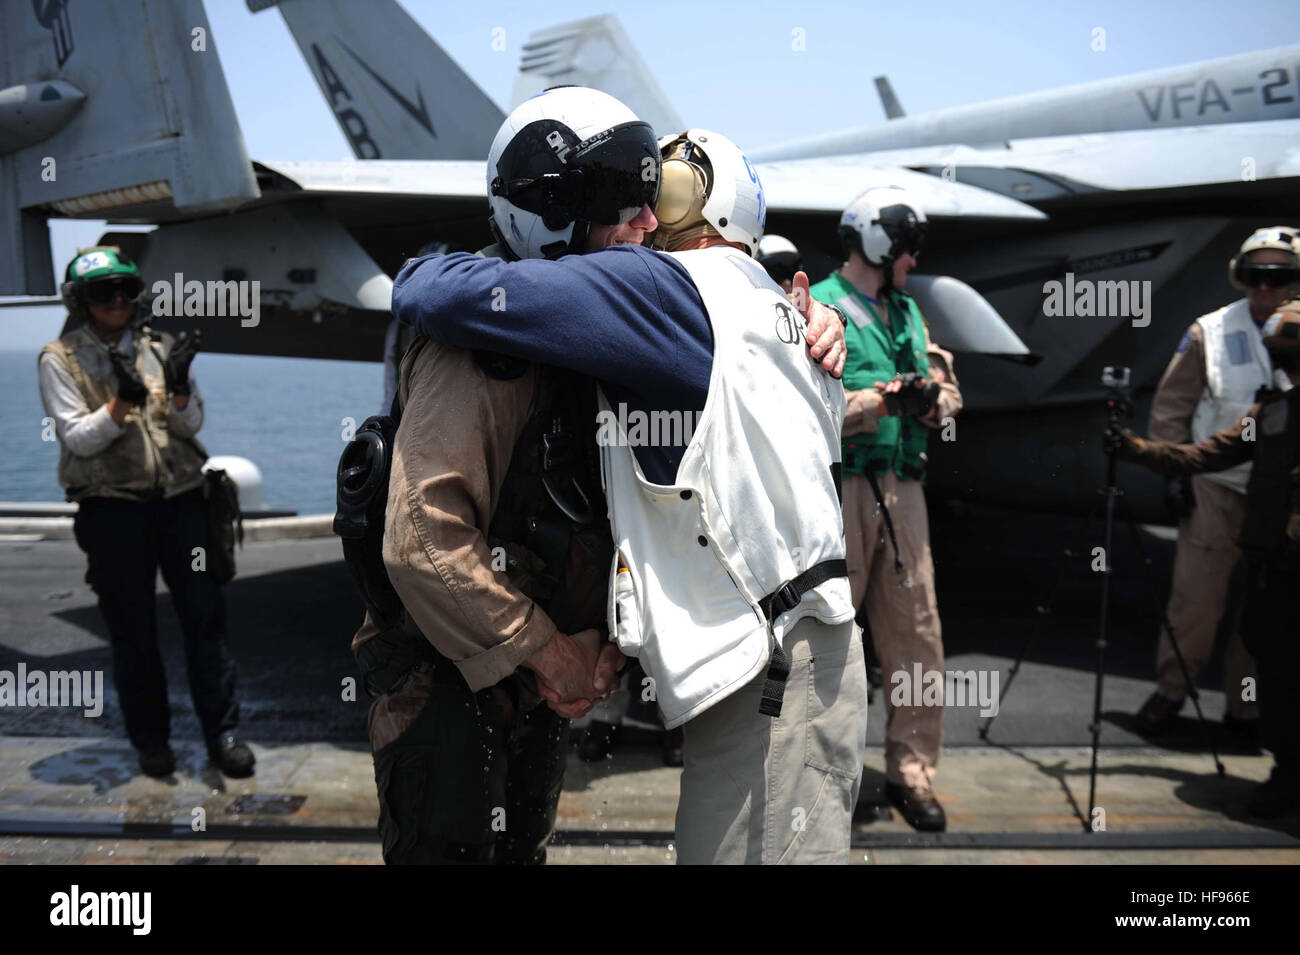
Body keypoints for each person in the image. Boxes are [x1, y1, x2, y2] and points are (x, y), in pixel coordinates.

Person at [391, 123, 864, 865]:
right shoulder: (777, 316)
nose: (646, 220)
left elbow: (459, 296)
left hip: (766, 679)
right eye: (630, 200)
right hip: (808, 660)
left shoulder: (667, 291)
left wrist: (416, 268)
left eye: (659, 196)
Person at [348, 87, 647, 865]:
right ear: (551, 212)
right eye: (625, 202)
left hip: (529, 673)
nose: (648, 224)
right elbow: (424, 542)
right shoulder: (486, 347)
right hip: (452, 686)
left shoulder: (580, 332)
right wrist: (555, 653)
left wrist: (600, 639)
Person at [37, 247, 252, 779]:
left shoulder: (163, 348)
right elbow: (78, 440)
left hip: (181, 505)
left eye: (124, 290)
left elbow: (191, 426)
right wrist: (120, 405)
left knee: (206, 622)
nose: (115, 301)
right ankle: (152, 743)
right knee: (133, 631)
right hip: (113, 514)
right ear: (80, 302)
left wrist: (179, 392)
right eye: (101, 292)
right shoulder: (58, 358)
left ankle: (223, 735)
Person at [1108, 299, 1300, 817]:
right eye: (1282, 360)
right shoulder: (1273, 416)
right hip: (1278, 571)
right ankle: (1286, 773)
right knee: (1275, 664)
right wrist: (1138, 450)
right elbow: (1207, 454)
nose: (1288, 371)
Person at [810, 187, 962, 832]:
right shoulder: (816, 306)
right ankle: (815, 778)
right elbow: (806, 412)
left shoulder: (908, 312)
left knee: (917, 639)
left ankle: (912, 775)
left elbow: (948, 391)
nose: (914, 262)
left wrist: (931, 402)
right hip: (839, 493)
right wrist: (879, 402)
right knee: (826, 642)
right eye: (909, 248)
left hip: (903, 493)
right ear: (880, 242)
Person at [1135, 226, 1300, 738]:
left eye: (1279, 277)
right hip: (1216, 483)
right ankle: (1171, 691)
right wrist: (1172, 472)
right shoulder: (1209, 331)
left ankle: (1245, 708)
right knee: (1197, 600)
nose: (1265, 288)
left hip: (1279, 496)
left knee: (1263, 609)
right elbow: (1171, 408)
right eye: (1255, 276)